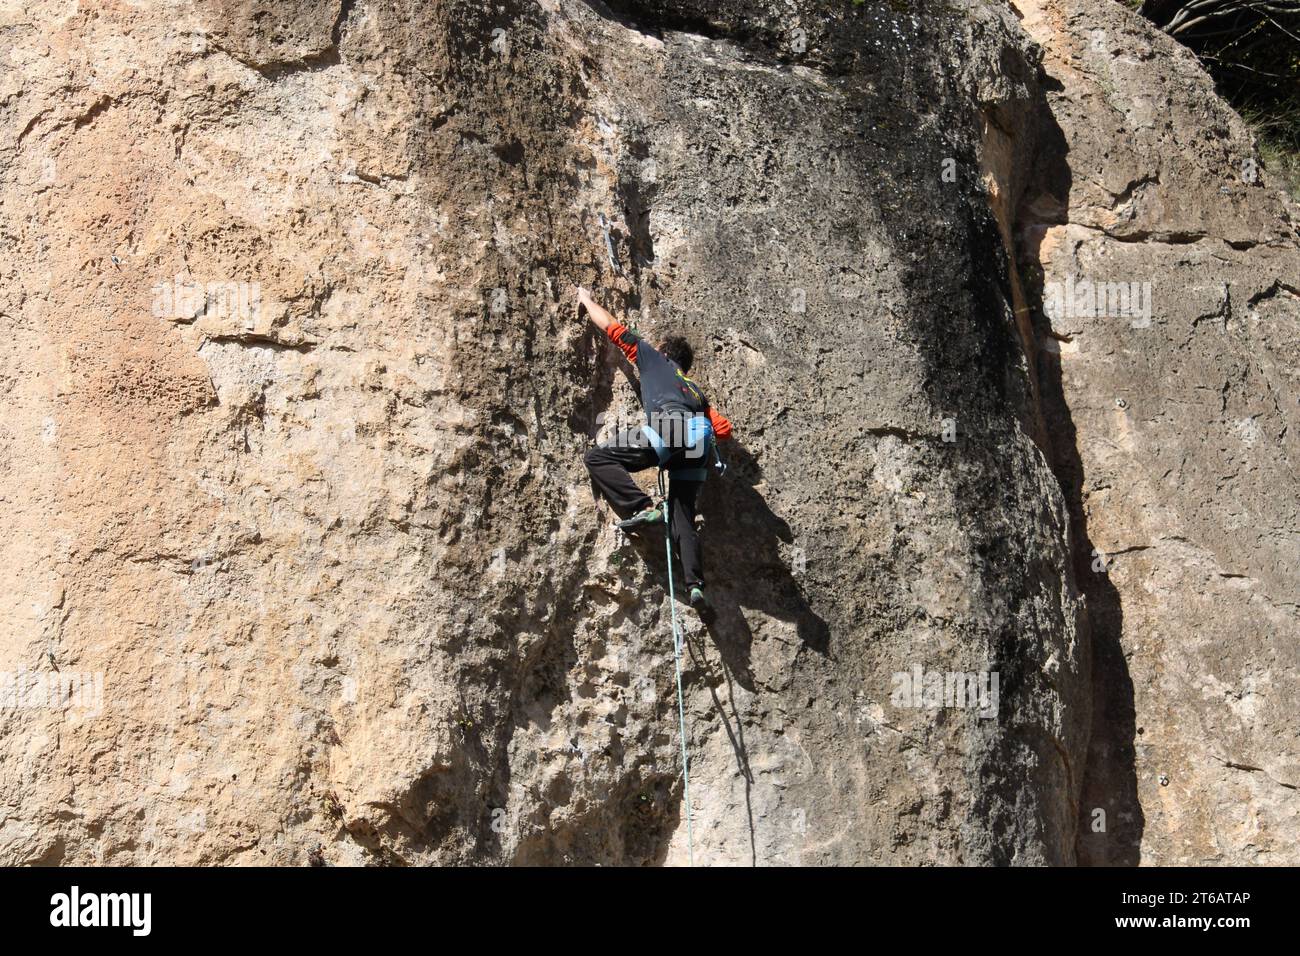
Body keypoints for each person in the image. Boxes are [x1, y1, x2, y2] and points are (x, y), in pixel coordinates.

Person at [577, 286, 734, 614]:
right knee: (683, 513)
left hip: (672, 429)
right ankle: (695, 587)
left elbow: (612, 328)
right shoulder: (694, 390)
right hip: (699, 442)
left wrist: (587, 300)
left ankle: (642, 506)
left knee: (599, 457)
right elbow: (723, 429)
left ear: (664, 352)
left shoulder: (653, 358)